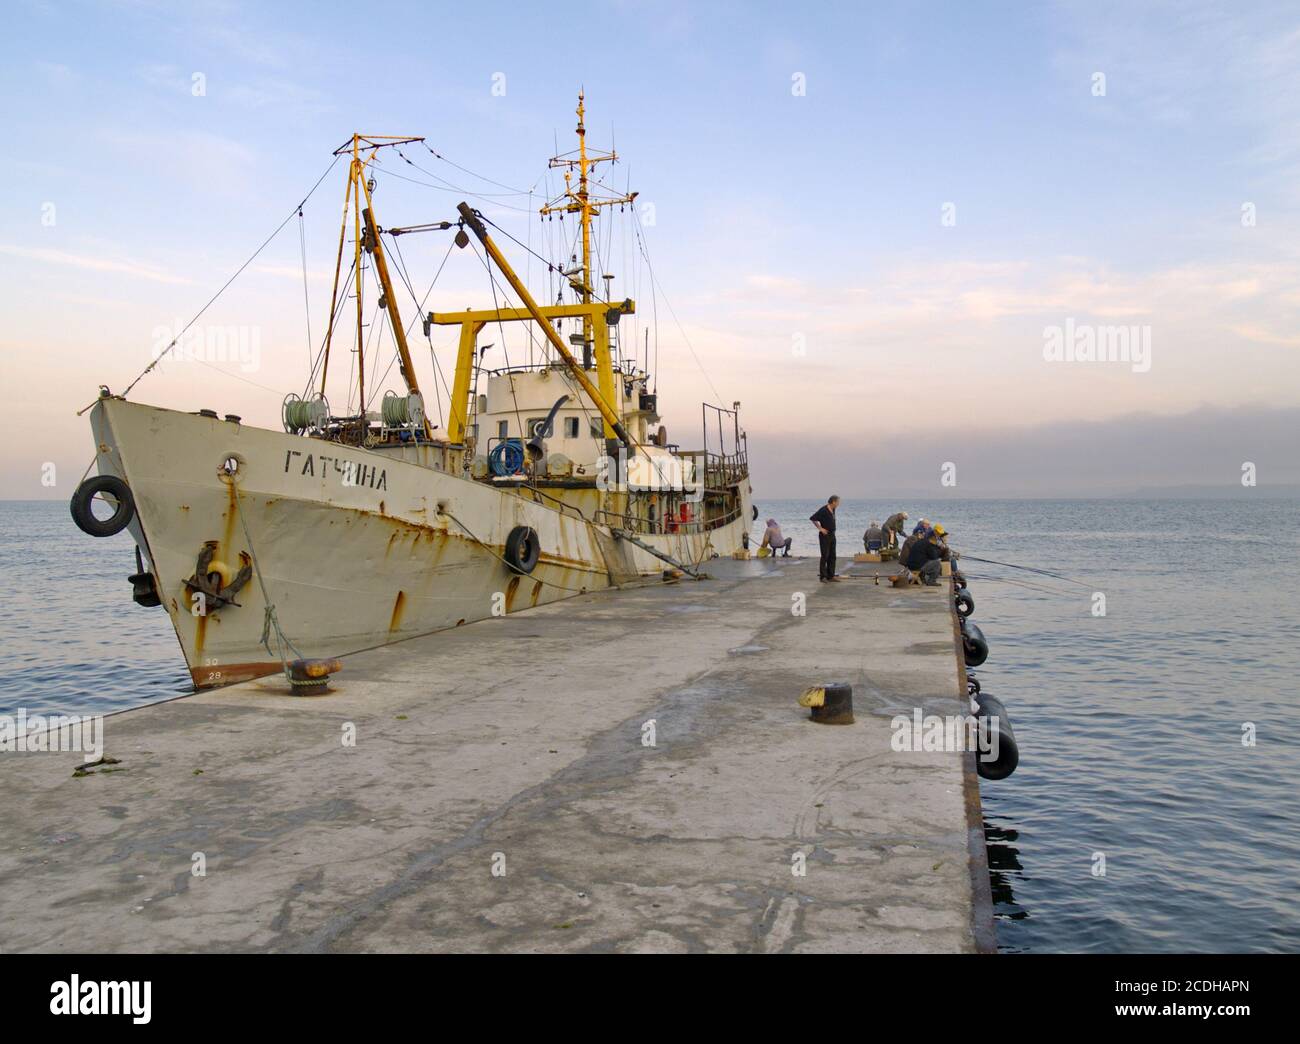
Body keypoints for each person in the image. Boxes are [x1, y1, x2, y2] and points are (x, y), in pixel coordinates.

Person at [810, 495, 840, 581]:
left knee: (833, 555)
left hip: (832, 534)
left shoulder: (833, 509)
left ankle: (831, 575)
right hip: (825, 535)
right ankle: (823, 576)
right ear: (833, 502)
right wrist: (820, 528)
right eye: (838, 502)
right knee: (825, 555)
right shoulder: (823, 510)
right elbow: (813, 518)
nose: (838, 504)